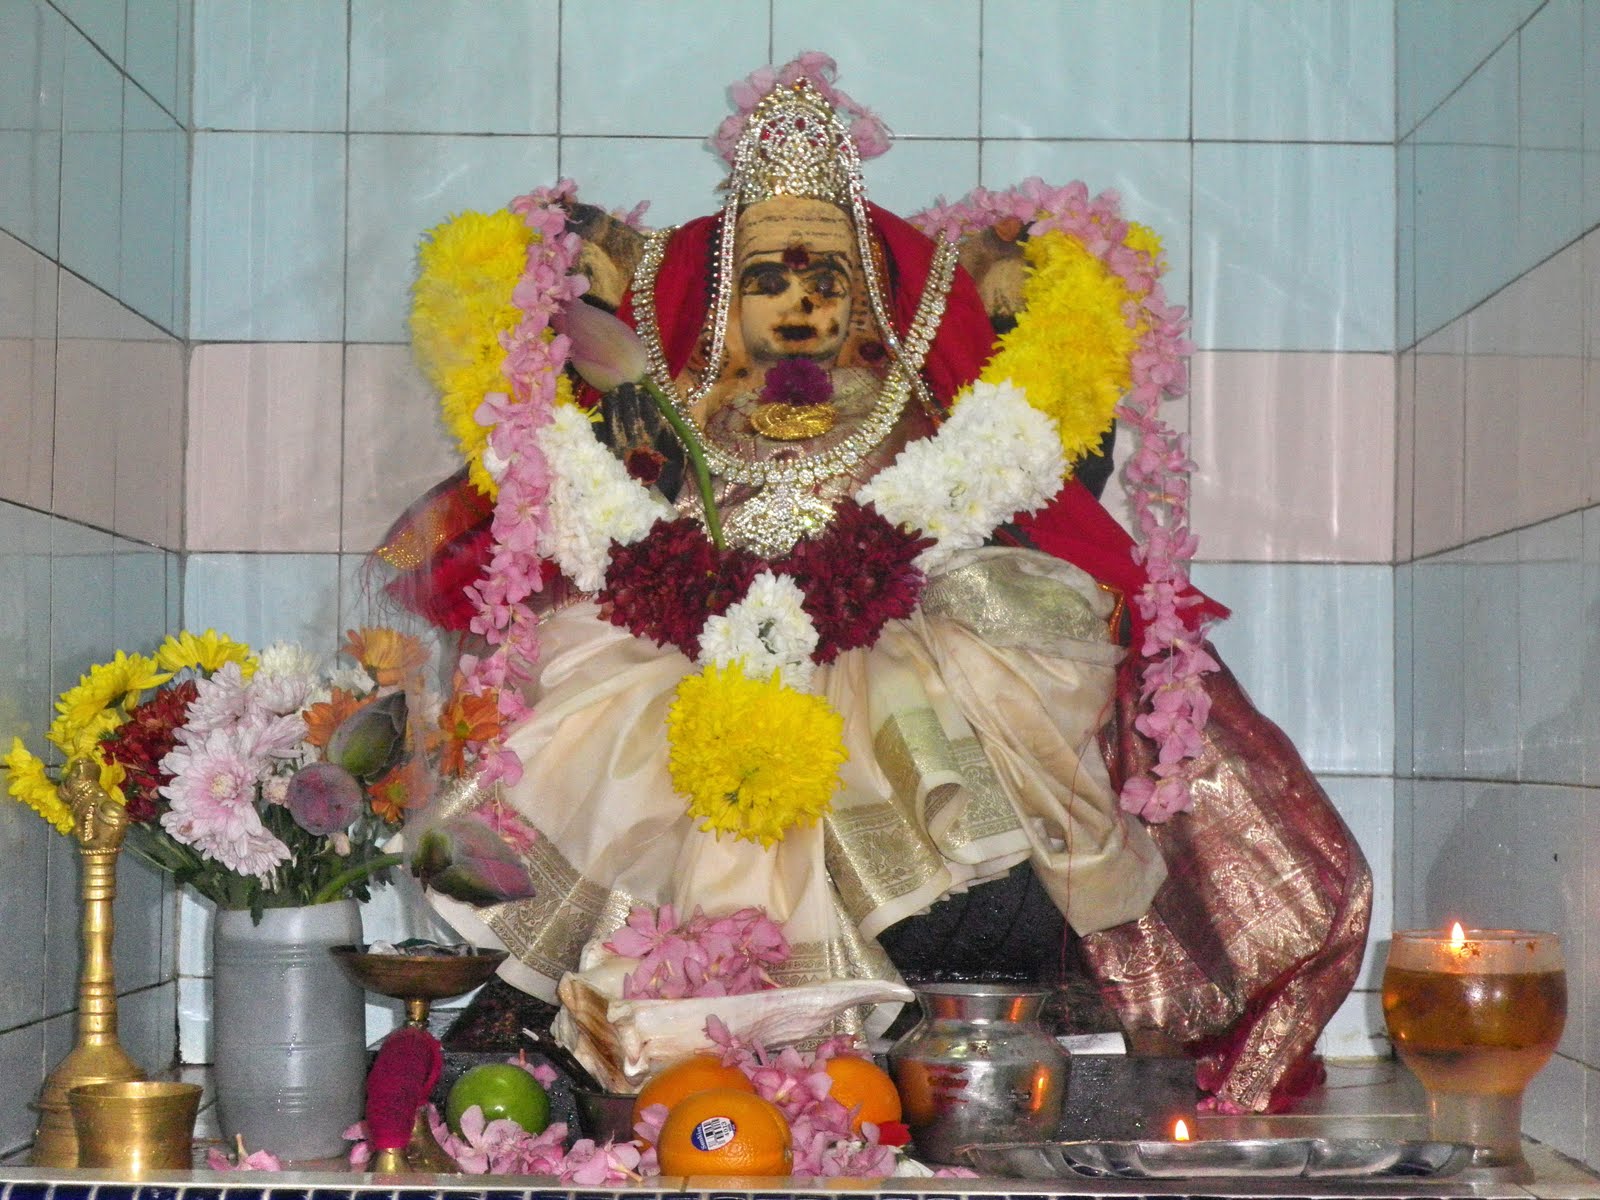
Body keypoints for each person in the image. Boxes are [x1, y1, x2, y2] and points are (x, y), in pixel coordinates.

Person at [381, 59, 1370, 1114]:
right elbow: (607, 531)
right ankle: (579, 1022)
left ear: (870, 304)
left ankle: (924, 1035)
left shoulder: (914, 405)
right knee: (576, 688)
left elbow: (1010, 493)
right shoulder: (673, 411)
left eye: (825, 280)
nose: (799, 300)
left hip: (897, 658)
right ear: (721, 308)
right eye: (768, 280)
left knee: (999, 638)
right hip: (684, 651)